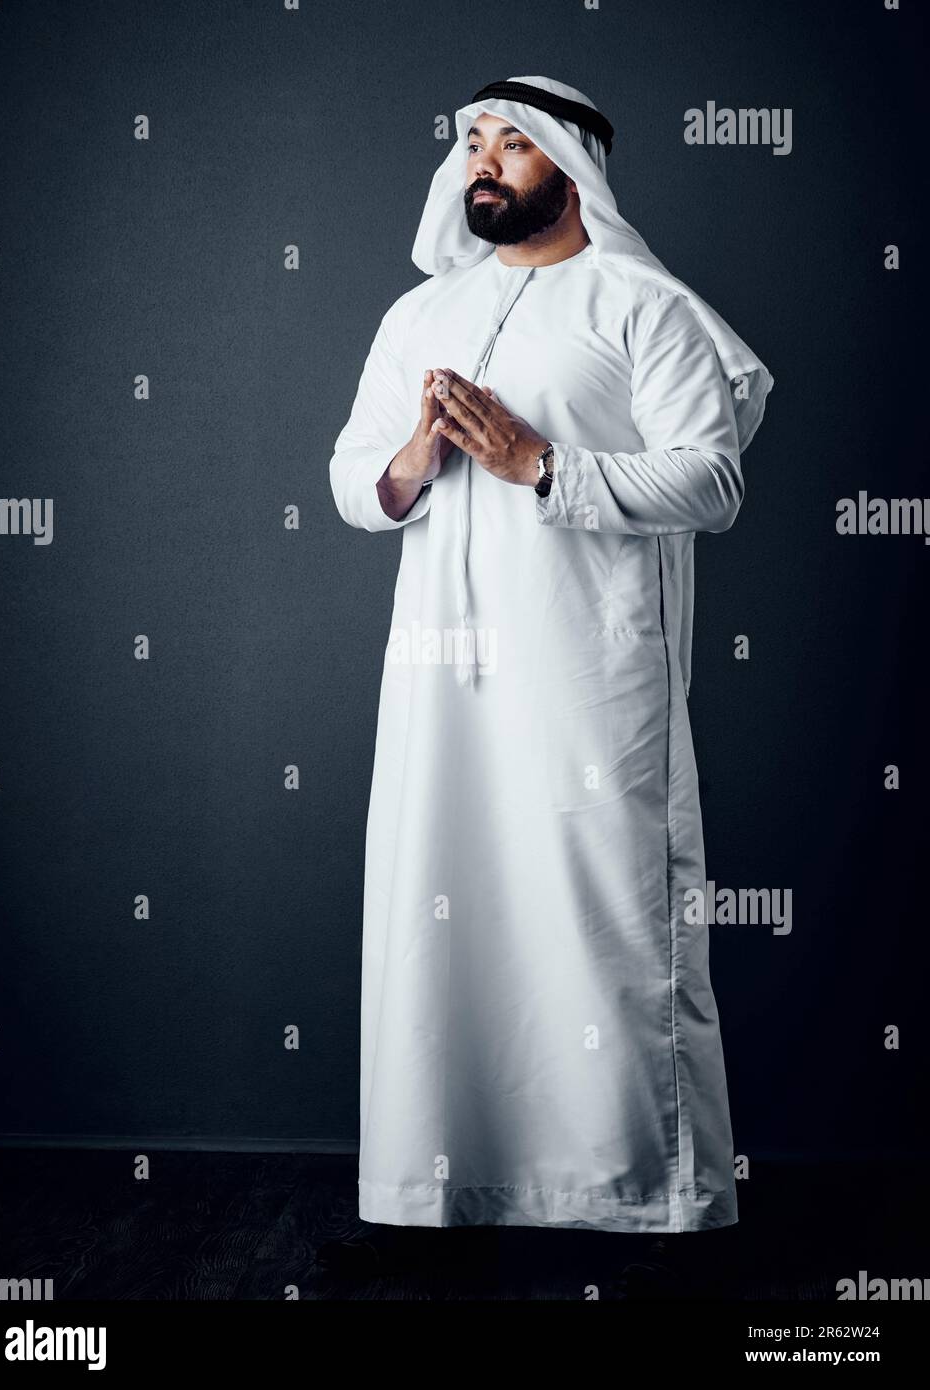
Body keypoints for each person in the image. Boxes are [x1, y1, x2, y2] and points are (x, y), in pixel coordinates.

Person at [321, 76, 772, 1282]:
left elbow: (713, 482)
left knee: (606, 913)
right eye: (474, 138)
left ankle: (640, 1192)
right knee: (441, 899)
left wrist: (538, 463)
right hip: (439, 677)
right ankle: (448, 1182)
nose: (485, 158)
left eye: (513, 141)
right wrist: (417, 456)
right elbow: (351, 482)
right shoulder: (418, 316)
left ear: (572, 169)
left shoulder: (646, 307)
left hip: (591, 677)